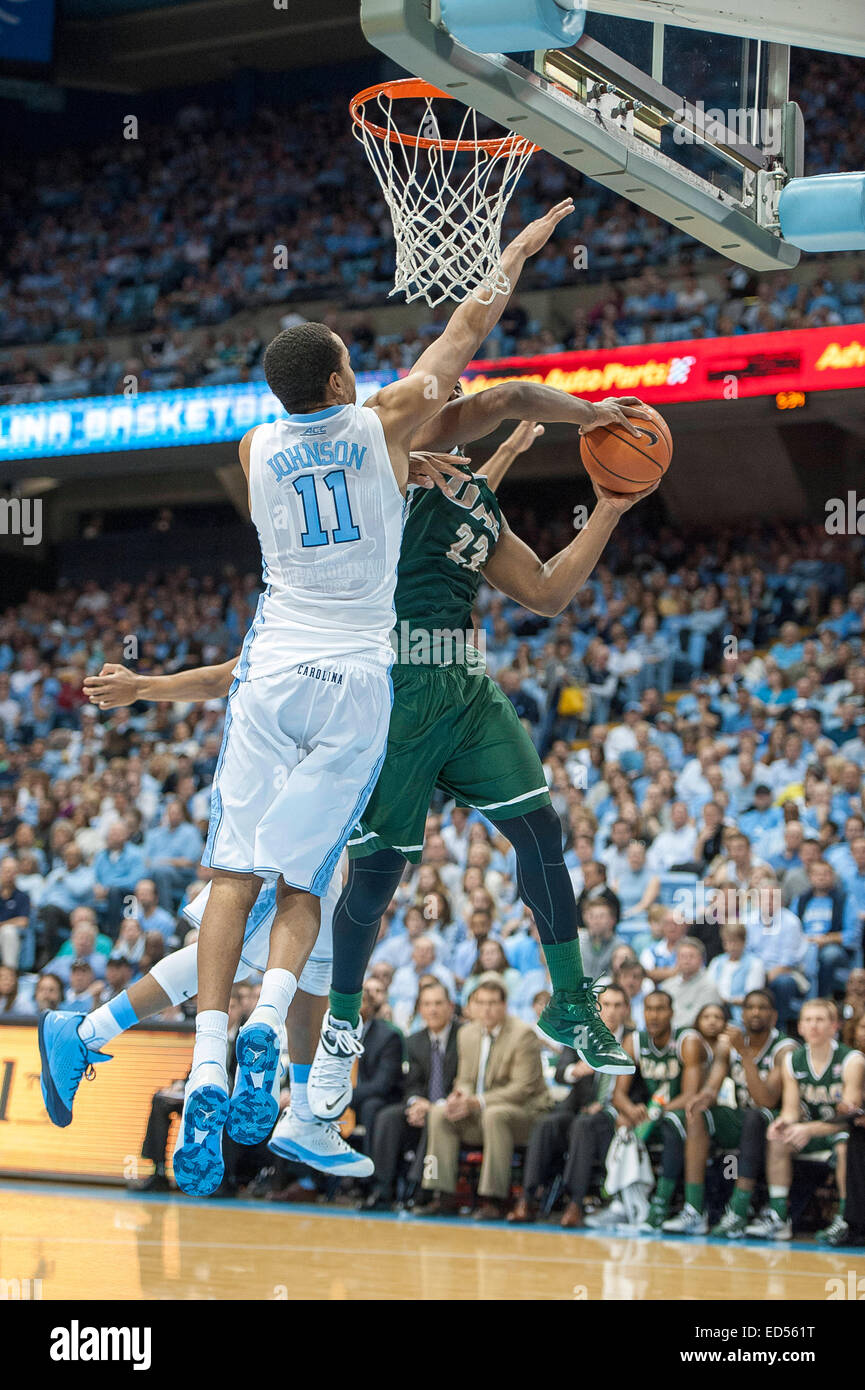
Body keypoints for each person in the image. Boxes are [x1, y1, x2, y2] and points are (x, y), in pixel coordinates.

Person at [419, 976, 551, 1219]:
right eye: (481, 1003)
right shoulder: (467, 1033)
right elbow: (465, 1079)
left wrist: (477, 1102)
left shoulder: (523, 1035)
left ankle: (493, 1199)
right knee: (439, 1112)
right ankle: (442, 1193)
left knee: (494, 1114)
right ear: (473, 1006)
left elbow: (522, 1089)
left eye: (492, 1003)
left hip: (525, 1114)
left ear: (504, 1005)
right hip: (480, 1112)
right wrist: (460, 1096)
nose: (486, 1009)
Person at [667, 989, 794, 1236]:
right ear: (741, 1014)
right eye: (750, 1007)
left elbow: (766, 1100)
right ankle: (694, 1210)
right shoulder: (729, 1045)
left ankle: (738, 1209)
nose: (756, 1012)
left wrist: (745, 1055)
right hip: (741, 1117)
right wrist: (701, 1098)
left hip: (773, 1122)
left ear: (774, 1015)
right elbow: (712, 1086)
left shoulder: (783, 1049)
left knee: (754, 1117)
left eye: (762, 1007)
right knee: (698, 1114)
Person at [508, 985, 631, 1227]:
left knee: (583, 1125)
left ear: (627, 1009)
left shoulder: (633, 1039)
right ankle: (528, 1197)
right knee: (547, 1124)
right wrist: (578, 1069)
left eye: (618, 1005)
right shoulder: (583, 1034)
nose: (612, 1011)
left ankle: (575, 1202)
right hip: (580, 1109)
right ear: (597, 1008)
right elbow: (562, 1073)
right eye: (606, 1004)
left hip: (613, 1114)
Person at [750, 998, 865, 1243]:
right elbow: (791, 1110)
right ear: (800, 1027)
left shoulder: (852, 1060)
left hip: (839, 1131)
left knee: (846, 1144)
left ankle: (844, 1219)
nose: (814, 1026)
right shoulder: (792, 1060)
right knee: (779, 1138)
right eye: (808, 1020)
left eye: (820, 1020)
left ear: (834, 1026)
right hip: (811, 1131)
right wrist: (782, 1122)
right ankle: (779, 1217)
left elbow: (849, 1116)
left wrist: (808, 1129)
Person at [363, 979, 460, 1209]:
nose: (433, 1009)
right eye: (427, 1004)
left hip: (453, 1108)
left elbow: (466, 1078)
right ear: (420, 1009)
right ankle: (382, 1190)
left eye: (438, 1003)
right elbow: (412, 1084)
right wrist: (416, 1102)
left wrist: (435, 1105)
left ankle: (420, 1190)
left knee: (435, 1118)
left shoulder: (464, 1037)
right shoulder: (414, 1041)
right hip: (424, 1106)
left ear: (451, 1006)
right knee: (387, 1116)